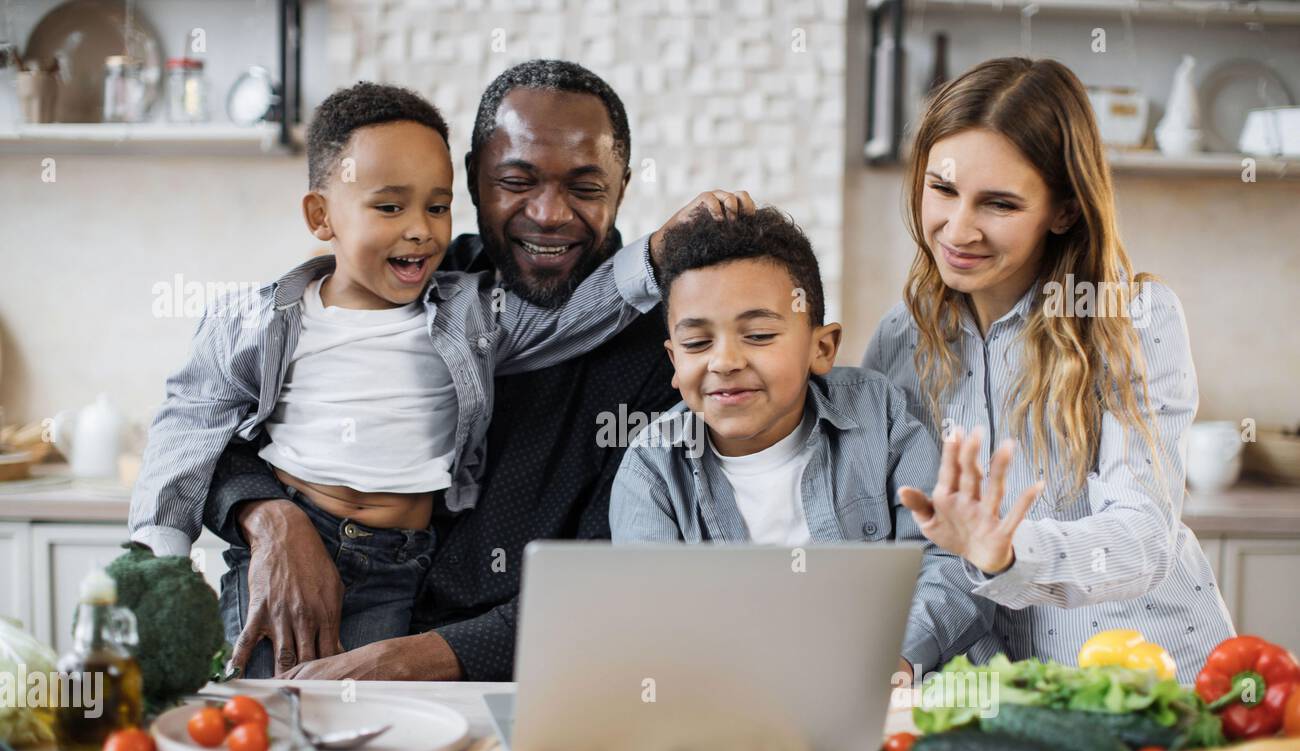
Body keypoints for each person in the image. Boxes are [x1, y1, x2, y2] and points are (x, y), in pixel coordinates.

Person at [129, 76, 747, 679]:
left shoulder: (659, 352)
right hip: (318, 577)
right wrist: (268, 519)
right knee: (267, 735)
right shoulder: (398, 283)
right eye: (516, 182)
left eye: (584, 187)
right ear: (476, 179)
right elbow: (207, 424)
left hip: (526, 671)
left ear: (622, 187)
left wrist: (658, 252)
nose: (550, 213)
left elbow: (615, 585)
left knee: (350, 746)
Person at [863, 57, 1232, 680]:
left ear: (1062, 210)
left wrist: (1008, 553)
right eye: (943, 189)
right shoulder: (905, 336)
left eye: (999, 204)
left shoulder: (1131, 320)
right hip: (995, 687)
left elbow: (1144, 538)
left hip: (1143, 677)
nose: (958, 229)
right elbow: (916, 538)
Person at [609, 207, 994, 675]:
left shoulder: (879, 415)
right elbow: (656, 627)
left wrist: (892, 665)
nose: (725, 361)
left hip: (891, 697)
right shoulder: (651, 469)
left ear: (822, 348)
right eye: (696, 344)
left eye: (759, 335)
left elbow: (952, 564)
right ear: (673, 359)